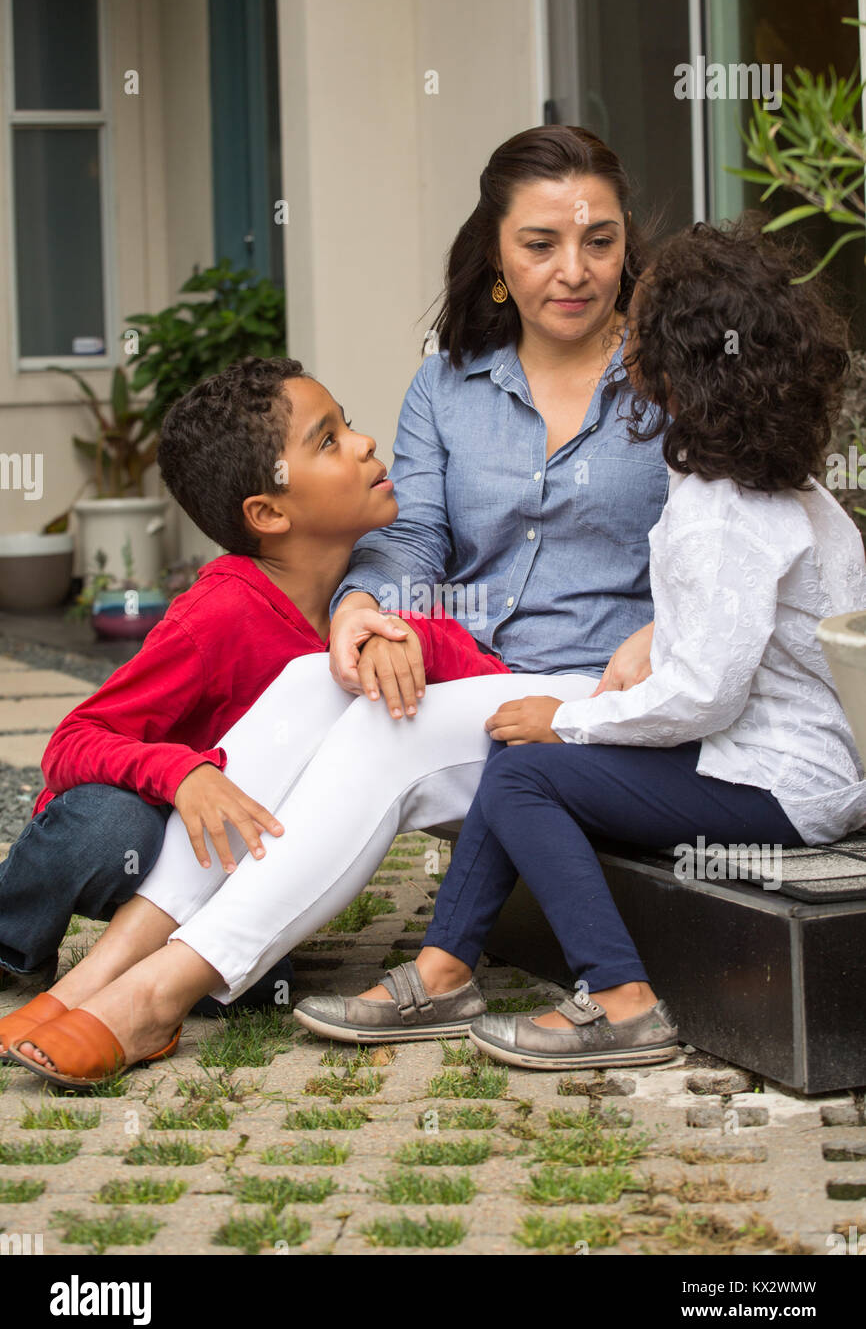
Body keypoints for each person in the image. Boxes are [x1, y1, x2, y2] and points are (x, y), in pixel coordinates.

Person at [5, 125, 673, 1086]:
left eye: (599, 241)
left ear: (625, 246)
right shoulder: (448, 389)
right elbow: (410, 540)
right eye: (540, 245)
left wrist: (669, 625)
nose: (574, 271)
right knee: (307, 680)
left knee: (384, 730)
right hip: (472, 668)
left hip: (601, 692)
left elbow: (727, 534)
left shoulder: (672, 378)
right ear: (496, 253)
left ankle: (161, 994)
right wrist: (362, 610)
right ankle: (103, 973)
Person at [296, 217, 866, 1068]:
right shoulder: (796, 493)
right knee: (521, 758)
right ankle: (445, 970)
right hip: (790, 769)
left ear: (674, 368)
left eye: (638, 330)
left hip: (777, 789)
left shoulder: (720, 513)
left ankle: (622, 1001)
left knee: (527, 768)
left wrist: (567, 719)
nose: (620, 342)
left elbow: (707, 696)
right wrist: (646, 641)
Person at [0, 356, 512, 1085]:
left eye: (349, 425)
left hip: (239, 850)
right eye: (328, 440)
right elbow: (73, 741)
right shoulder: (219, 614)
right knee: (108, 830)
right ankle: (17, 943)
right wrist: (183, 774)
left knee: (241, 992)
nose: (366, 444)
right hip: (145, 822)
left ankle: (151, 986)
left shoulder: (374, 598)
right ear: (268, 514)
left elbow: (478, 692)